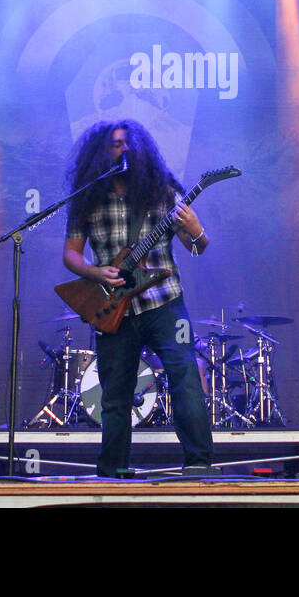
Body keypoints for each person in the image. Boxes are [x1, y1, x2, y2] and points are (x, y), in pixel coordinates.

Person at [62, 120, 214, 477]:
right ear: (101, 151)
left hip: (165, 303)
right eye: (115, 145)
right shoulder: (87, 197)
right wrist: (95, 272)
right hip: (114, 306)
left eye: (129, 144)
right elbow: (70, 254)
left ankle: (199, 463)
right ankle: (112, 468)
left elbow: (198, 249)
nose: (124, 150)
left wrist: (196, 230)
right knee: (115, 395)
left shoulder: (162, 192)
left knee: (185, 378)